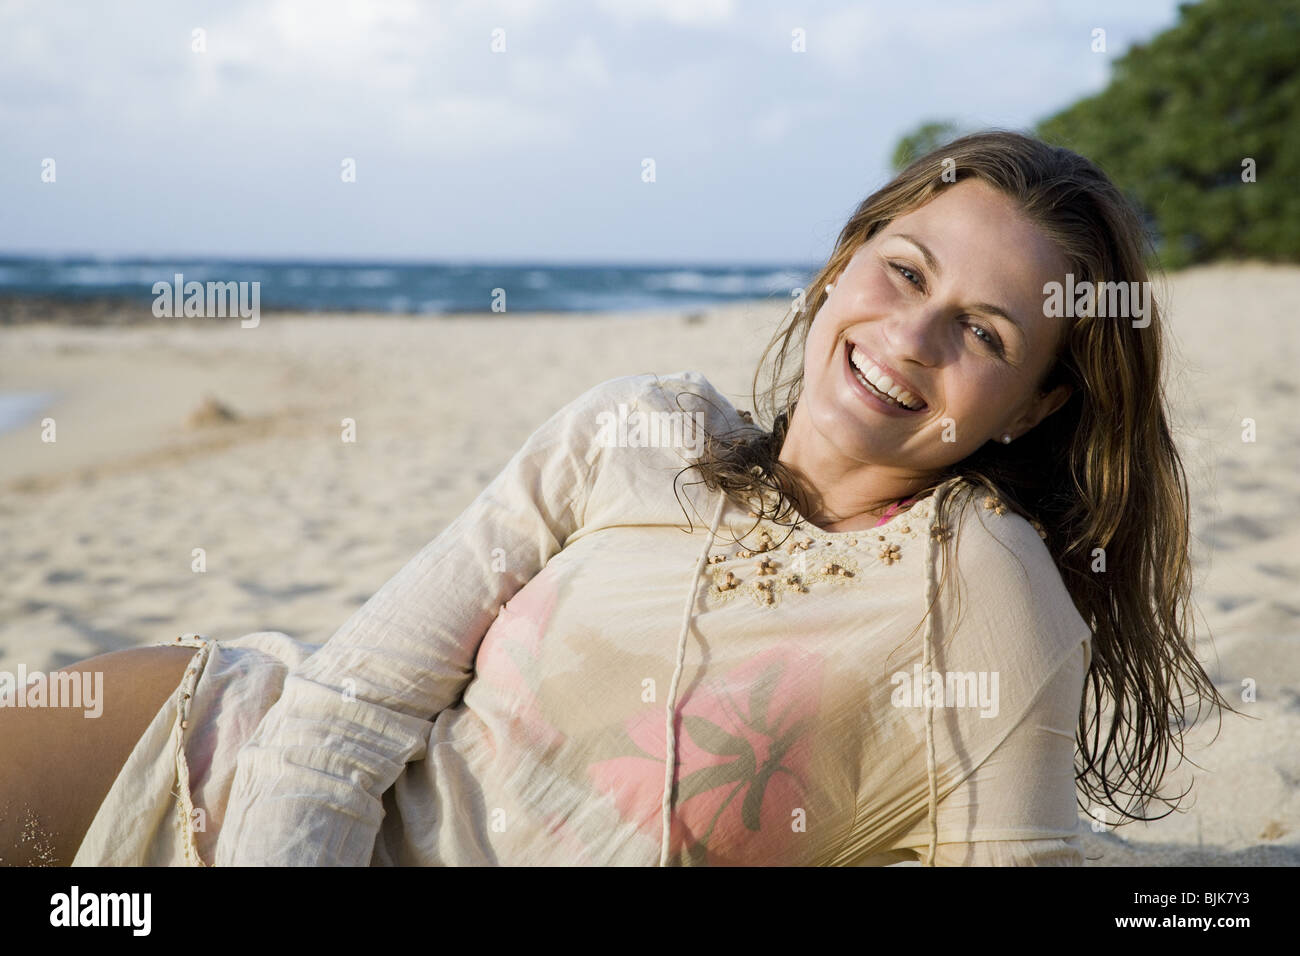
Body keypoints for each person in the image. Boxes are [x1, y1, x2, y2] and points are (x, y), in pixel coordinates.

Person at [1, 130, 1233, 866]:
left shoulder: (983, 590)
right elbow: (351, 697)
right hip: (200, 754)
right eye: (901, 269)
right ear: (836, 268)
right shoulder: (635, 429)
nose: (906, 336)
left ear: (1030, 405)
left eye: (979, 328)